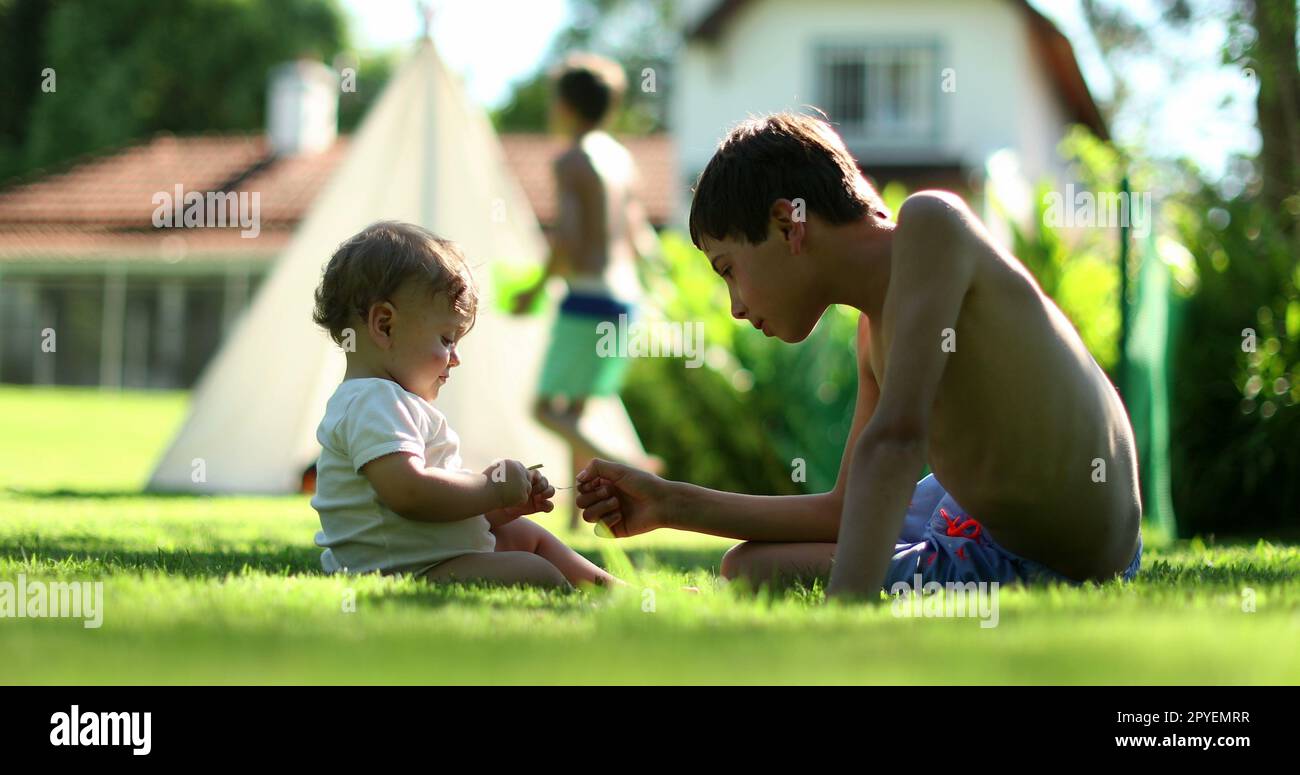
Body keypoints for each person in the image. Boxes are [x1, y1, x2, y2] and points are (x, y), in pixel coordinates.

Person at [575, 113, 1142, 600]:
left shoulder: (931, 224)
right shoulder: (874, 335)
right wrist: (671, 504)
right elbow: (845, 510)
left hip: (1050, 563)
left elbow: (897, 438)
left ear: (788, 223)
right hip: (990, 511)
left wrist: (845, 619)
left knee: (756, 572)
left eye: (729, 270)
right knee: (745, 566)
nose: (737, 308)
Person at [310, 220, 621, 589]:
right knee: (533, 571)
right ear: (385, 325)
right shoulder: (372, 401)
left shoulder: (389, 400)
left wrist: (500, 507)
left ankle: (623, 594)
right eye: (446, 339)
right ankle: (599, 607)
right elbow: (410, 494)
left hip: (422, 556)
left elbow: (432, 506)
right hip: (397, 570)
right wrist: (490, 488)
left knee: (525, 536)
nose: (455, 358)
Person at [511, 53, 661, 528]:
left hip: (587, 296)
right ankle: (577, 522)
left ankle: (629, 464)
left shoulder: (573, 161)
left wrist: (535, 289)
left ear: (566, 106)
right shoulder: (620, 159)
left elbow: (569, 239)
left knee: (542, 409)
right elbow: (640, 239)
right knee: (573, 412)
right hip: (624, 296)